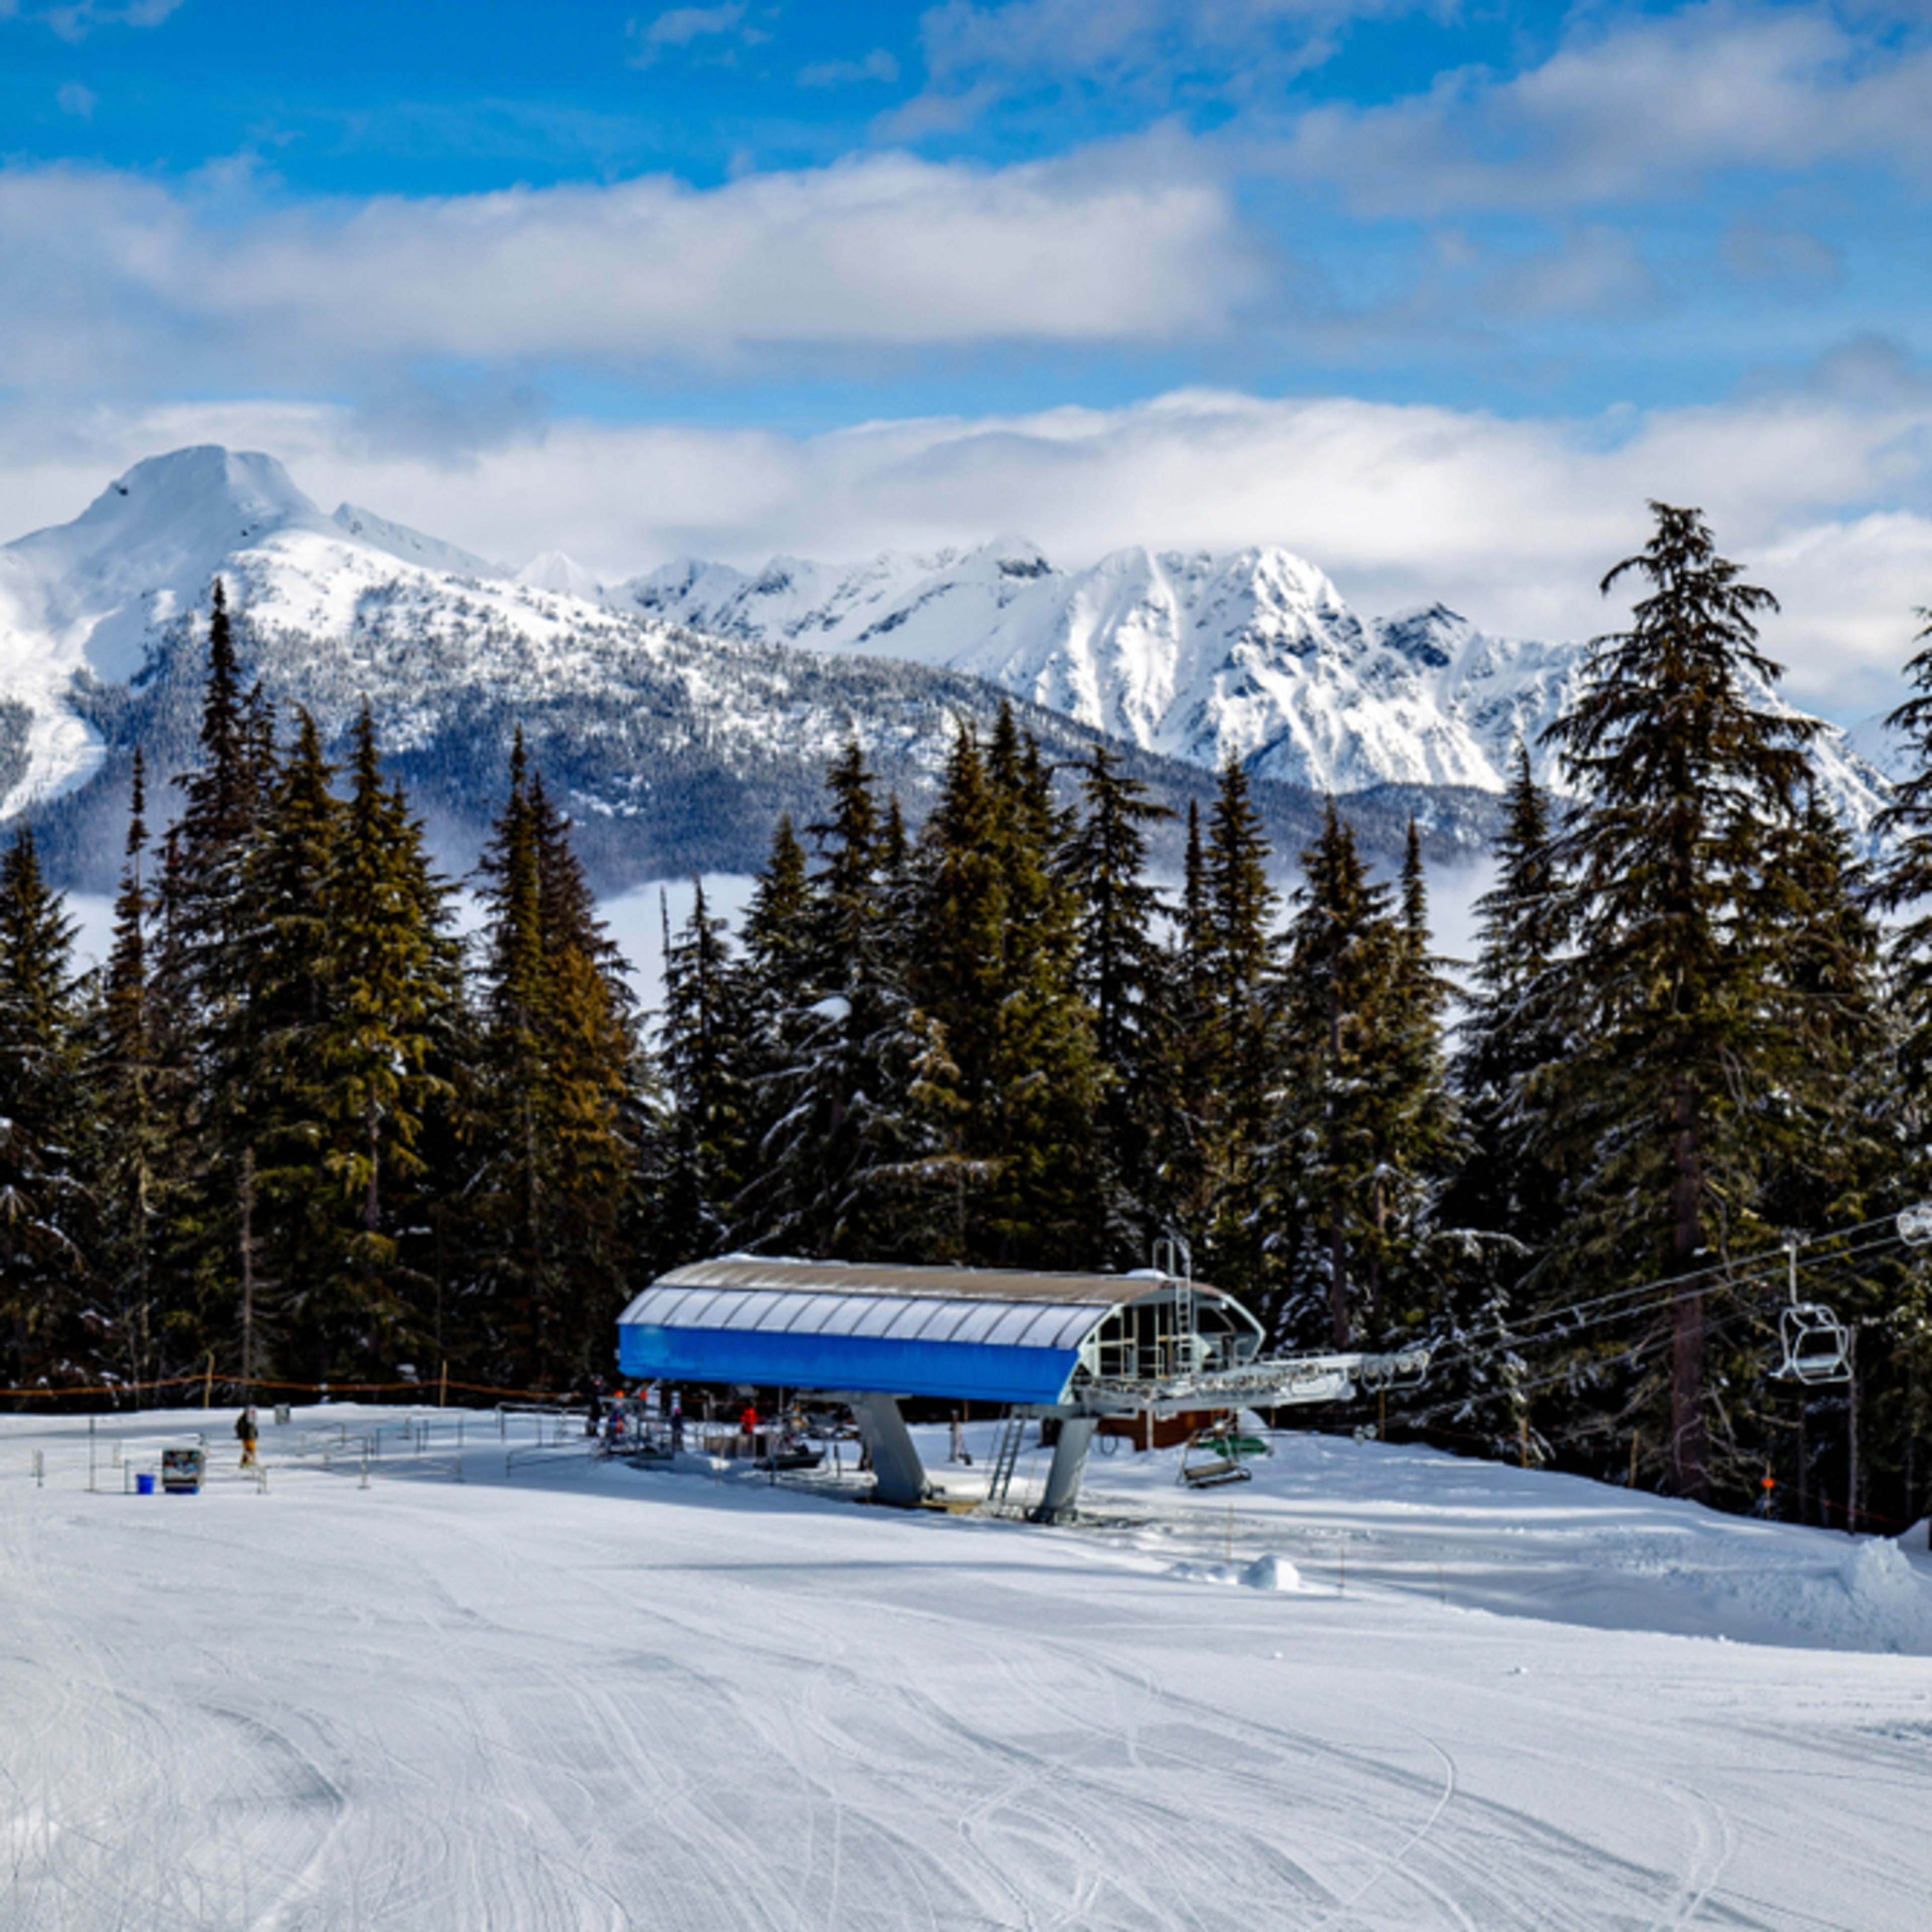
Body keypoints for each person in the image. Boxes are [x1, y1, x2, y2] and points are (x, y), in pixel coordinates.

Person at [234, 1406, 259, 1470]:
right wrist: (241, 1435)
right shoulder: (243, 1419)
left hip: (252, 1438)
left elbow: (255, 1428)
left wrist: (256, 1435)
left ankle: (249, 1463)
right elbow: (238, 1427)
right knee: (249, 1451)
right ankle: (245, 1464)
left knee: (251, 1451)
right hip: (247, 1437)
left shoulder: (251, 1419)